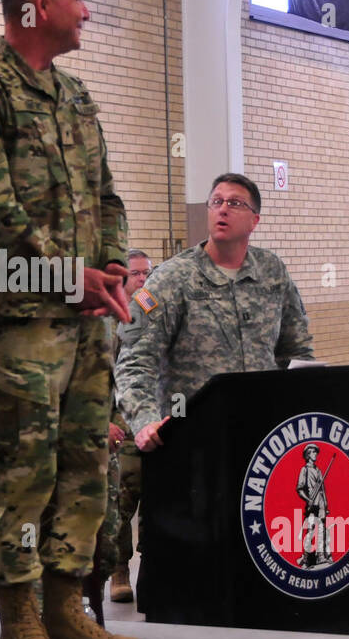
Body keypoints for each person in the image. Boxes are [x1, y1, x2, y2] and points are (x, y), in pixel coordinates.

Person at [0, 0, 143, 639]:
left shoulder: (76, 97)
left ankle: (66, 610)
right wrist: (69, 278)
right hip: (19, 320)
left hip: (89, 320)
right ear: (38, 5)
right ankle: (17, 621)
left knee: (86, 465)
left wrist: (111, 269)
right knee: (23, 471)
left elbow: (108, 199)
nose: (89, 11)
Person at [116, 174, 314, 452]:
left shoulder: (271, 272)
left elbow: (297, 353)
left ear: (254, 220)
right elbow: (134, 361)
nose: (223, 209)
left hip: (264, 434)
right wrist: (145, 421)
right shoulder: (172, 278)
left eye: (234, 203)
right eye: (216, 202)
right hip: (190, 431)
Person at [101, 249, 152, 602]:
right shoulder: (113, 319)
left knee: (158, 497)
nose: (144, 280)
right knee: (124, 496)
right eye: (137, 274)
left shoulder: (156, 313)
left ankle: (153, 568)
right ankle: (120, 571)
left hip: (156, 416)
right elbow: (103, 375)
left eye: (148, 273)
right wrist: (106, 420)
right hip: (124, 419)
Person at [296, 443, 332, 568]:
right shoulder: (304, 470)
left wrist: (326, 504)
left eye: (316, 452)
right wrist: (307, 499)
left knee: (321, 530)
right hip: (312, 502)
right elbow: (299, 489)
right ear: (308, 455)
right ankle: (306, 558)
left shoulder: (319, 470)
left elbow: (323, 488)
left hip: (320, 502)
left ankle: (321, 556)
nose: (315, 454)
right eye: (313, 452)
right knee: (311, 531)